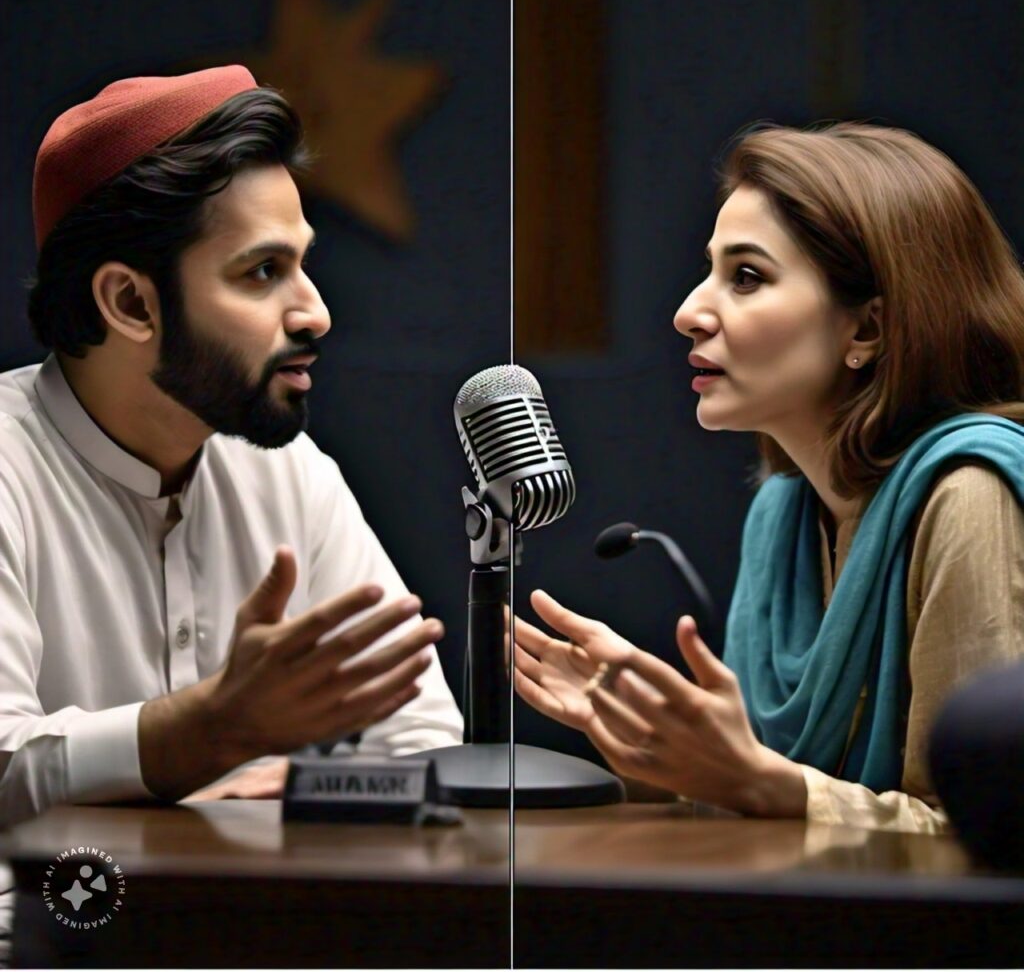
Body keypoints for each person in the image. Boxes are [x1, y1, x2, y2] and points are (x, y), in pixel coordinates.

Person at [513, 122, 1024, 833]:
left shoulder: (968, 496)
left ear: (867, 329)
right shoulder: (783, 514)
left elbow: (987, 836)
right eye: (711, 270)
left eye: (746, 277)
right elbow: (769, 797)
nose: (688, 312)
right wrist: (670, 762)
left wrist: (758, 781)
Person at [0, 65, 463, 827]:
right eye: (263, 272)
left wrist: (302, 795)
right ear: (129, 302)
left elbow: (421, 741)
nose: (315, 312)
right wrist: (207, 732)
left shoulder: (292, 477)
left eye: (301, 264)